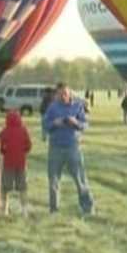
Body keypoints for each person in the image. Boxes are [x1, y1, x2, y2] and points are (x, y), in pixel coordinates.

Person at [43, 83, 95, 216]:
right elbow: (45, 125)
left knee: (80, 179)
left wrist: (76, 123)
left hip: (73, 146)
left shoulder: (77, 106)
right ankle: (54, 210)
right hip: (55, 147)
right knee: (53, 180)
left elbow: (85, 125)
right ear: (57, 94)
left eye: (65, 93)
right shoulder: (52, 107)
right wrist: (54, 123)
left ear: (70, 93)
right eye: (60, 94)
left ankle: (87, 208)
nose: (63, 96)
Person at [0, 110, 32, 217]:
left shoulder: (5, 131)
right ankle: (24, 210)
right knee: (22, 187)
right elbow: (29, 145)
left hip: (8, 162)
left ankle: (5, 209)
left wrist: (5, 152)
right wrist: (23, 152)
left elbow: (0, 146)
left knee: (5, 187)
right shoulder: (23, 130)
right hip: (21, 162)